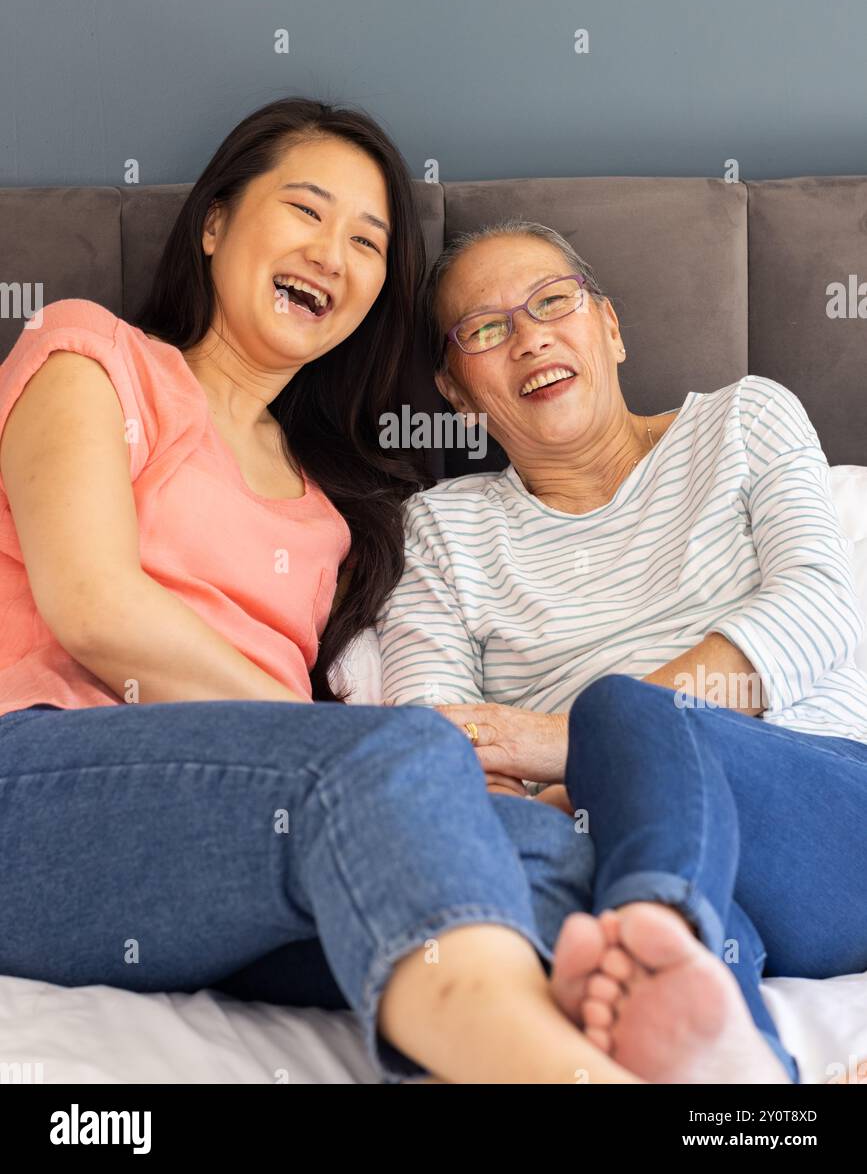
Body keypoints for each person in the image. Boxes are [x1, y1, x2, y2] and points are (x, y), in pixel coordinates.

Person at [1, 96, 654, 1087]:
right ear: (216, 223)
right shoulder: (94, 354)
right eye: (306, 211)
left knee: (540, 846)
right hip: (43, 787)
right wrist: (361, 751)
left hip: (216, 858)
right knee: (395, 761)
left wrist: (432, 783)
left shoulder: (334, 515)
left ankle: (515, 1043)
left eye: (366, 240)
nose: (332, 253)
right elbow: (95, 604)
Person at [377, 217, 867, 1083]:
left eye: (551, 302)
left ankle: (653, 929)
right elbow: (441, 739)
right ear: (456, 390)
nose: (528, 336)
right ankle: (742, 1078)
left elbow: (819, 609)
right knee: (688, 970)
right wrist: (581, 785)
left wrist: (582, 739)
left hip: (827, 823)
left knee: (621, 709)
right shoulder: (439, 530)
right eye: (486, 329)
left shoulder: (745, 420)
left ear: (608, 327)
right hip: (617, 849)